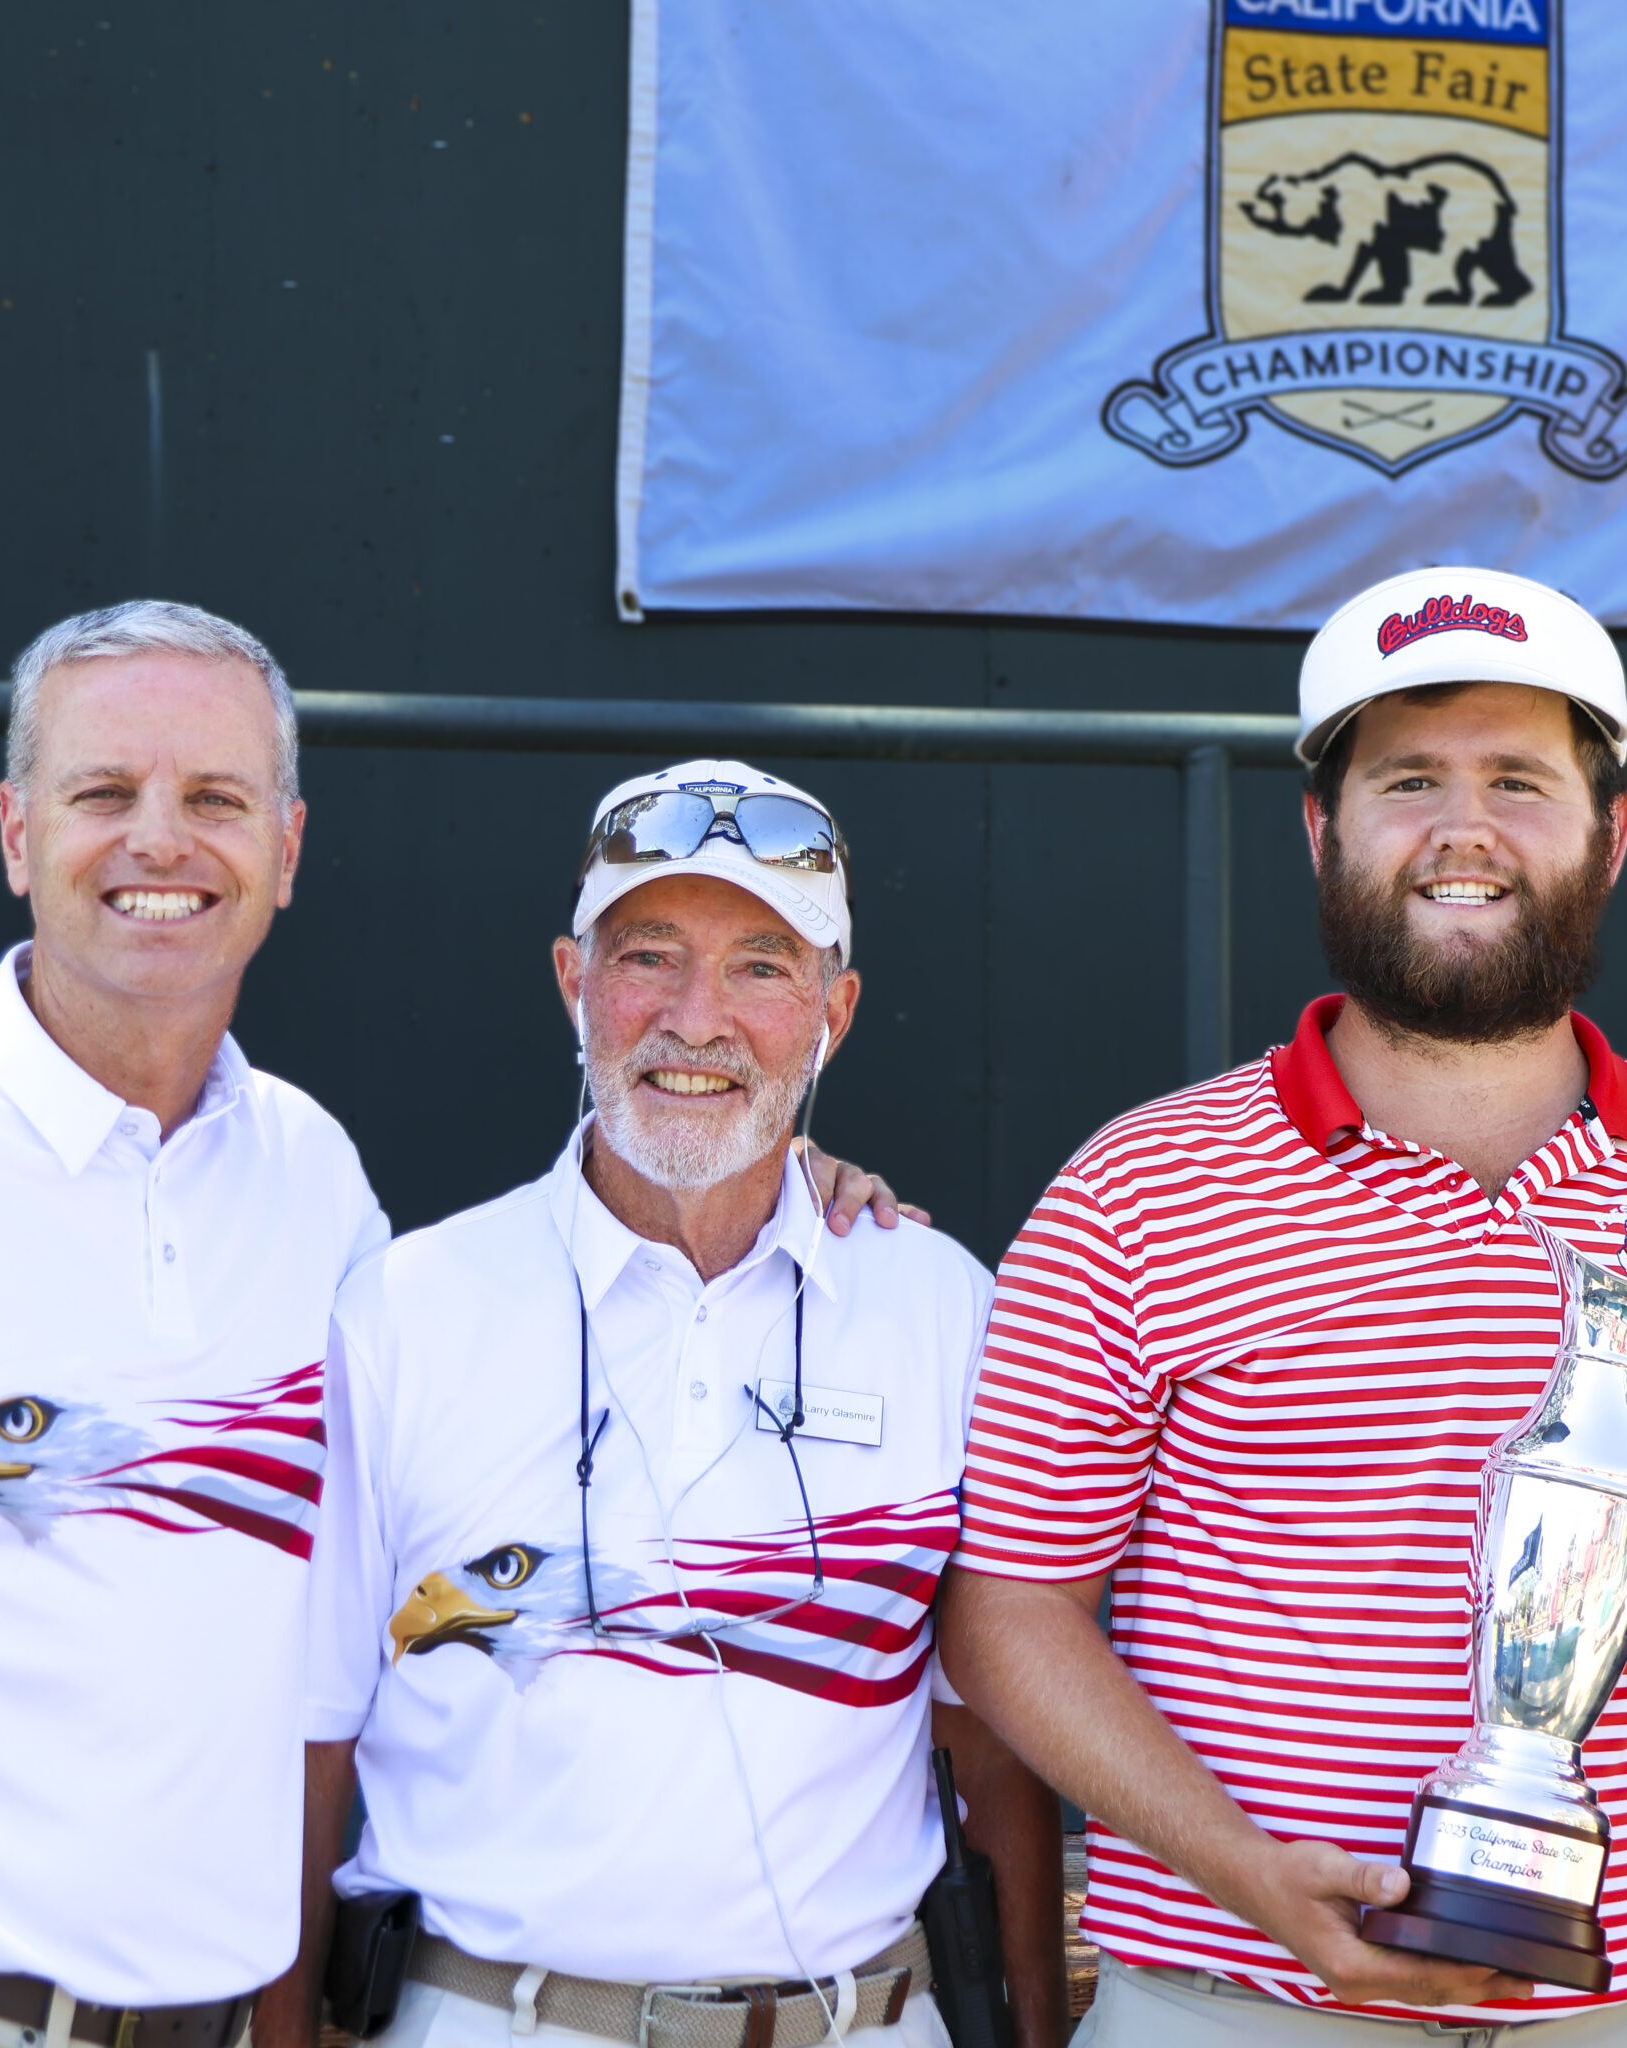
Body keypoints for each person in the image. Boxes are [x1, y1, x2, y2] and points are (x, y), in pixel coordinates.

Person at [939, 566, 1627, 2047]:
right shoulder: (1139, 1183)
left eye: (1519, 779)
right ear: (1322, 829)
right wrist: (1245, 1874)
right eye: (1408, 779)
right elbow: (1009, 1611)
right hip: (1240, 2006)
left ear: (1612, 834)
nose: (1463, 828)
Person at [276, 760, 1065, 2048]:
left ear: (834, 1012)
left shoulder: (944, 1308)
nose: (697, 1020)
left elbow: (991, 1746)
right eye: (648, 955)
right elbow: (308, 1742)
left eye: (761, 967)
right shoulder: (406, 1308)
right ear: (573, 982)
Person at [0, 601, 382, 2048]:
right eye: (105, 791)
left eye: (217, 799)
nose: (160, 842)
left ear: (287, 849)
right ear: (18, 833)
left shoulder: (315, 1179)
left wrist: (791, 1195)